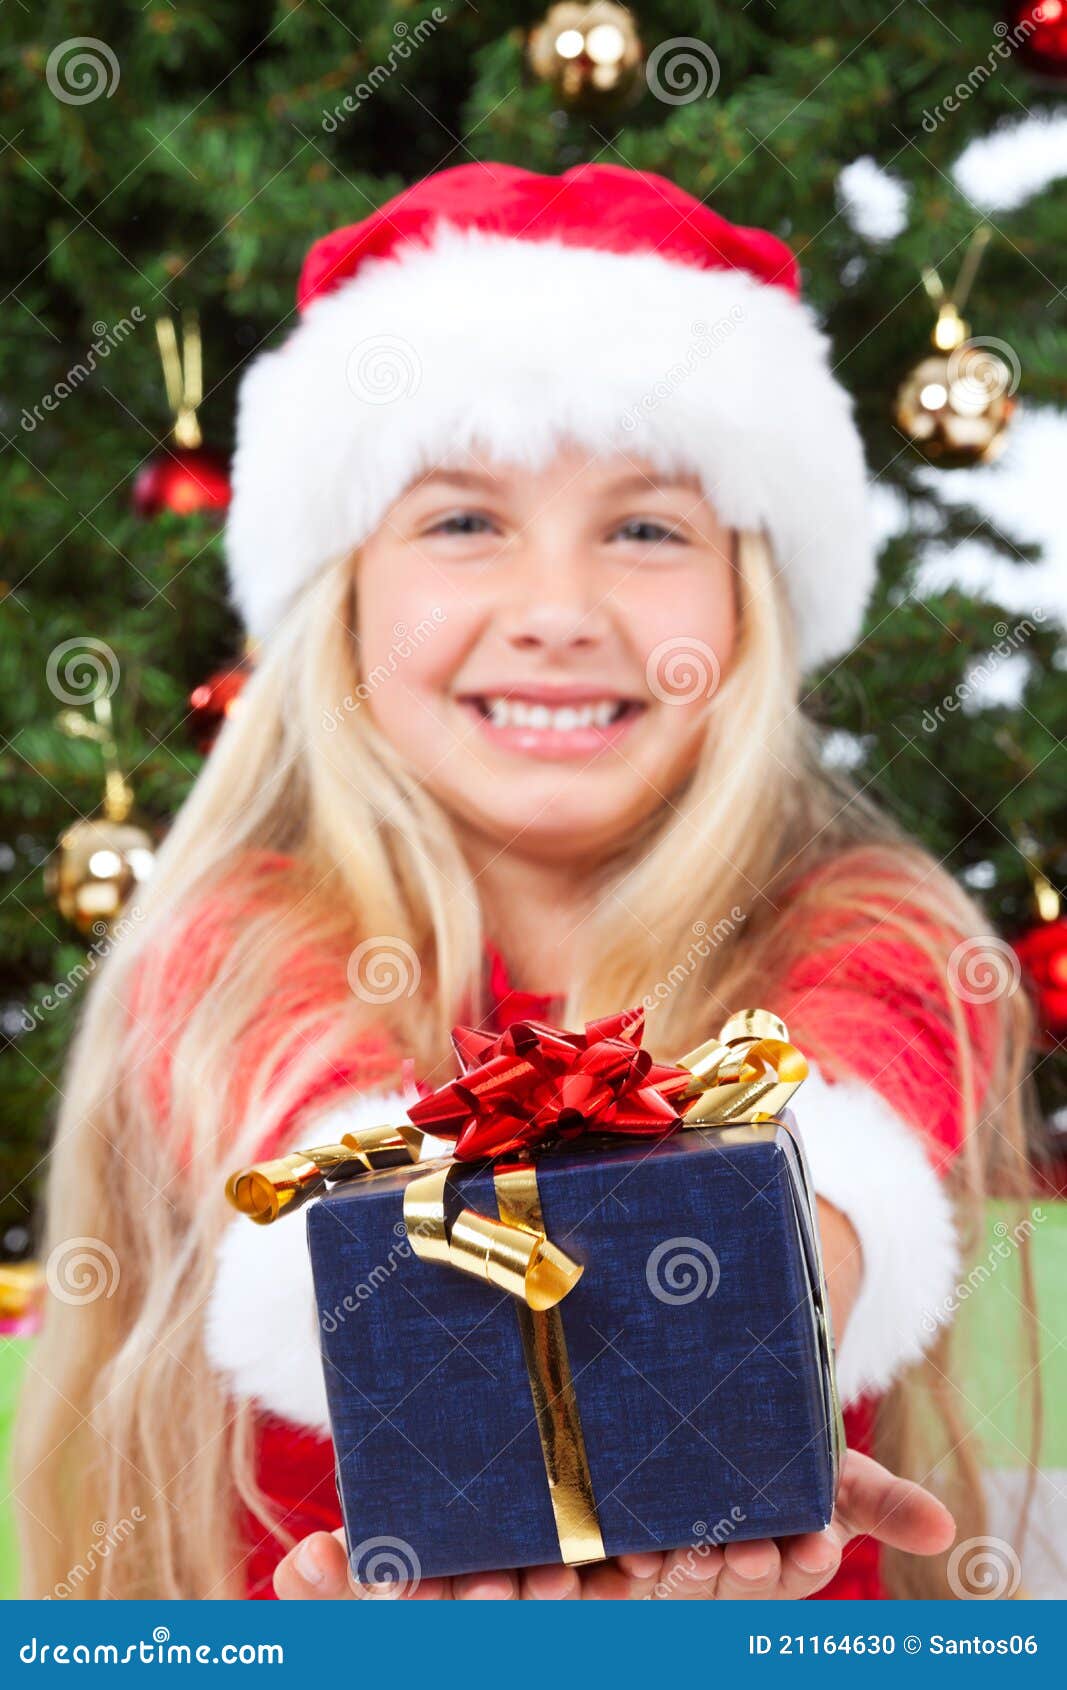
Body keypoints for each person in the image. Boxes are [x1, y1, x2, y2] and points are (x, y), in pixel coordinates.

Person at [15, 162, 1038, 1600]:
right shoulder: (238, 951)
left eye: (646, 529)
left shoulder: (881, 934)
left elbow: (836, 1184)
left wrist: (715, 1354)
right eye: (461, 520)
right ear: (345, 591)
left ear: (754, 601)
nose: (559, 612)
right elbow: (332, 1183)